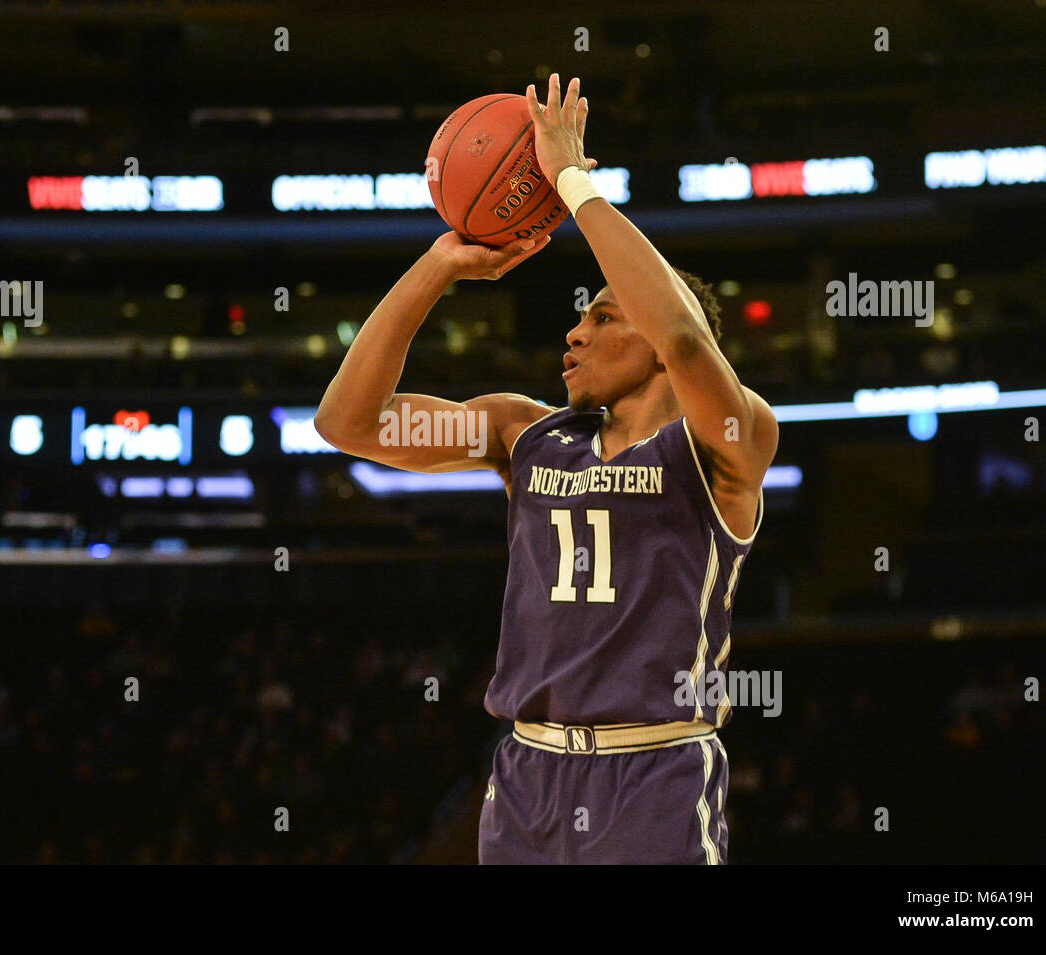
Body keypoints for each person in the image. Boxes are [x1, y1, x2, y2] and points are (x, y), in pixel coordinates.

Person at [315, 74, 778, 863]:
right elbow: (347, 422)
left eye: (602, 316)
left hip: (655, 769)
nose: (574, 333)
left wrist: (571, 180)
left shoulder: (729, 438)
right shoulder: (523, 433)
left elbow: (688, 341)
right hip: (527, 773)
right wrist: (437, 267)